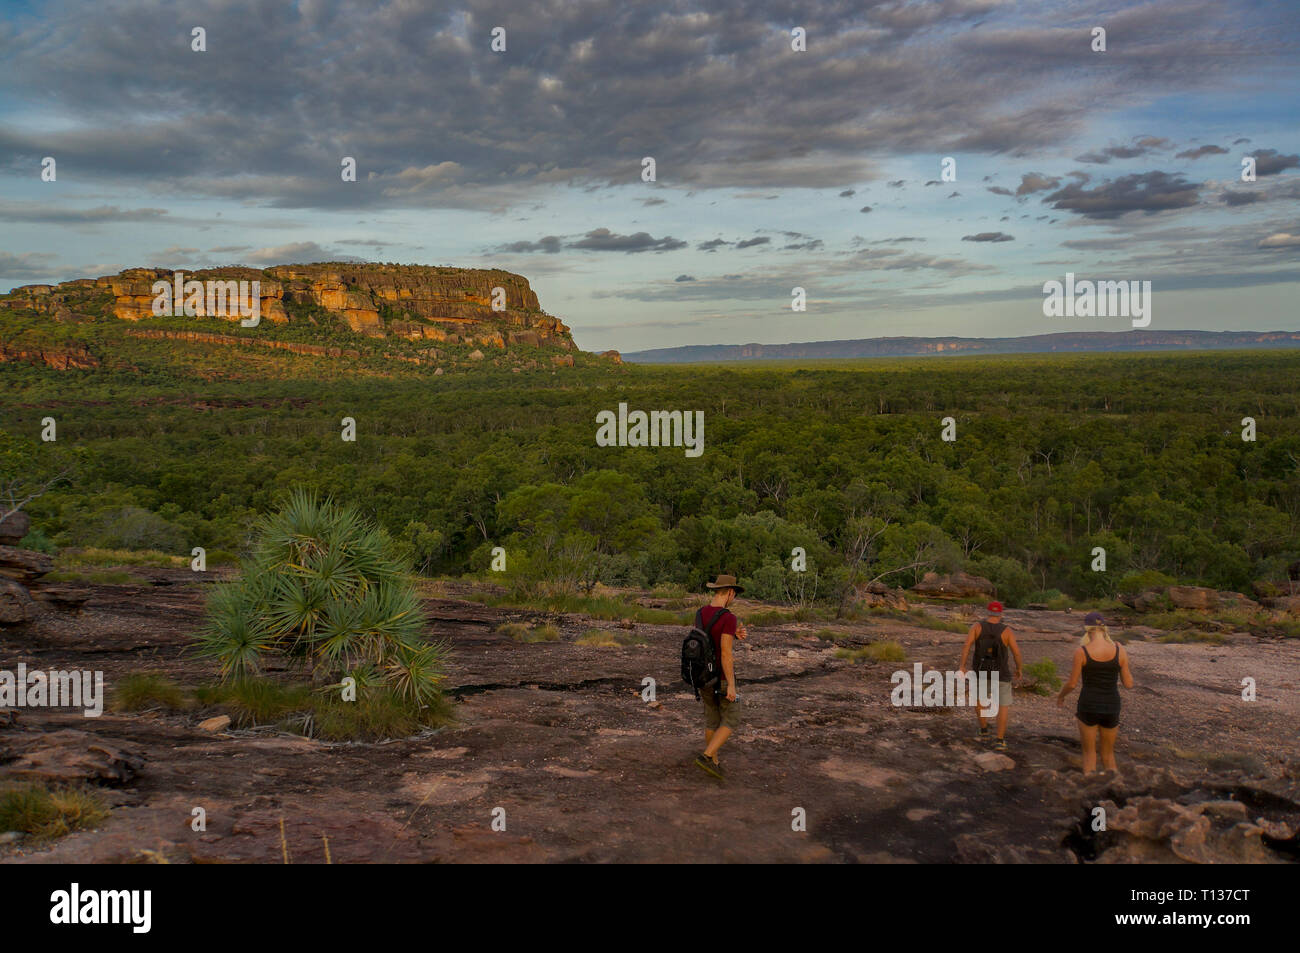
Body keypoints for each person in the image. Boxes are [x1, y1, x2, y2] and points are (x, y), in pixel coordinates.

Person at [1057, 612, 1134, 774]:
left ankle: (1090, 791)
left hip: (1088, 705)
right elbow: (1128, 684)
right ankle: (1114, 790)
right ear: (1103, 628)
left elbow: (1072, 684)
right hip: (1112, 706)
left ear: (1087, 629)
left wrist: (1061, 696)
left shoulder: (1082, 652)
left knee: (1089, 754)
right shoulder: (1120, 650)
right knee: (1108, 755)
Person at [693, 574, 749, 780]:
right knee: (733, 717)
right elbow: (725, 653)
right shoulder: (728, 617)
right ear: (730, 593)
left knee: (712, 719)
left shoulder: (700, 613)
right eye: (734, 595)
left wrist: (733, 633)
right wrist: (732, 686)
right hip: (721, 677)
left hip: (702, 676)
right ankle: (707, 757)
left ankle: (714, 763)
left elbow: (707, 639)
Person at [958, 601, 1022, 751]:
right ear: (1001, 613)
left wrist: (962, 666)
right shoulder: (1007, 631)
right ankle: (1000, 740)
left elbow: (967, 645)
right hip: (1001, 673)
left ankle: (984, 730)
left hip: (981, 671)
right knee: (1003, 706)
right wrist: (1019, 668)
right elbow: (1016, 652)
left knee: (979, 700)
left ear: (988, 612)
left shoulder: (977, 627)